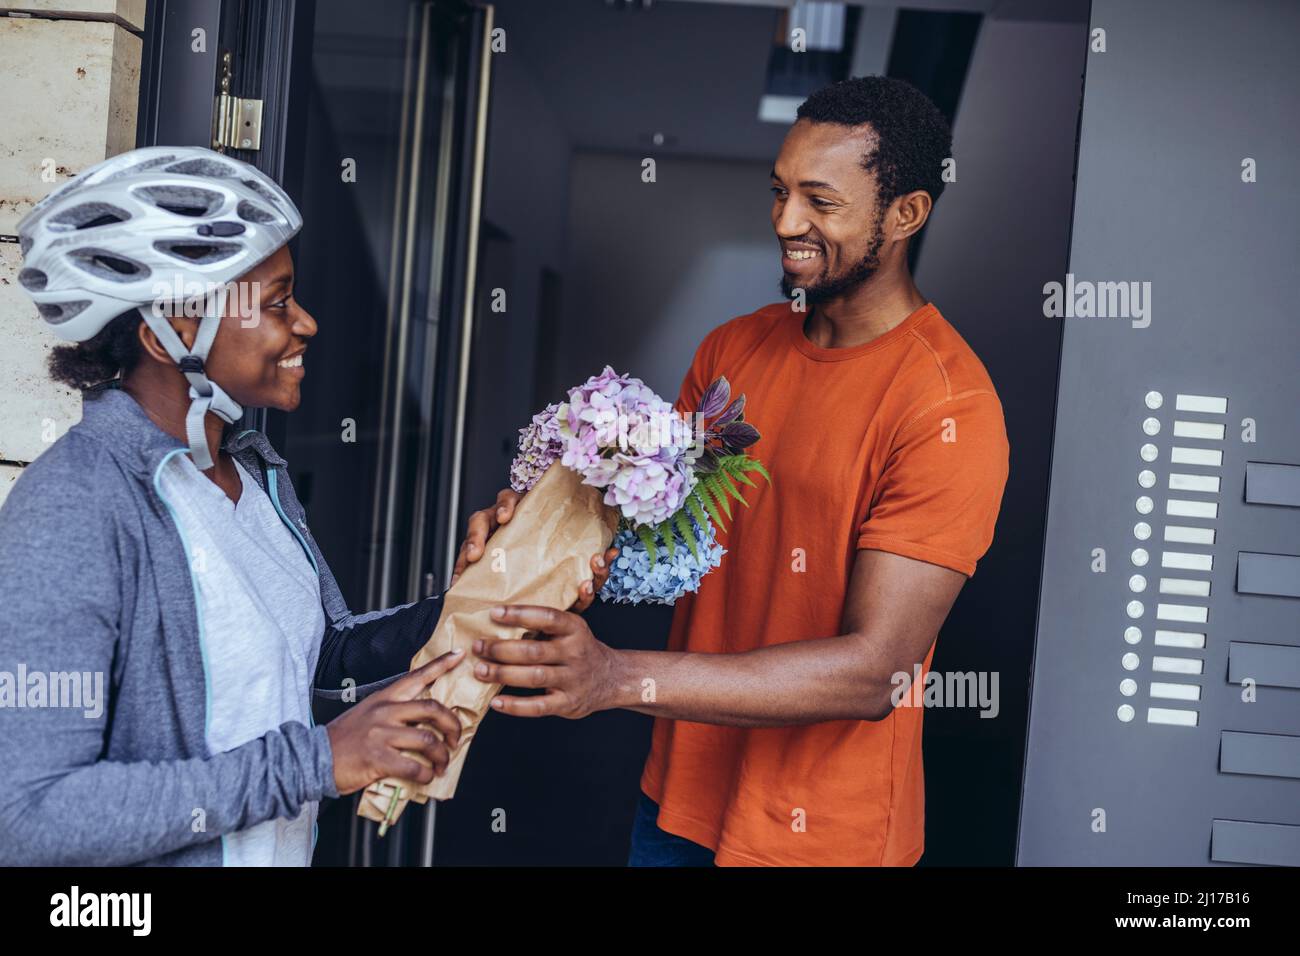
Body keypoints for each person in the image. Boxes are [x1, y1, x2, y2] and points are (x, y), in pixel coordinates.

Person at [451, 77, 1011, 866]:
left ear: (907, 213)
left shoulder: (948, 406)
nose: (786, 222)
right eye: (780, 192)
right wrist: (542, 527)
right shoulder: (734, 351)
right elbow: (664, 545)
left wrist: (615, 678)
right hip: (679, 797)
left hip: (822, 839)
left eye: (821, 200)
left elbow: (875, 671)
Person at [0, 146, 614, 866]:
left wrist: (492, 591)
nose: (307, 324)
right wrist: (316, 763)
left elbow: (322, 664)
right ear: (170, 334)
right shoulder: (75, 508)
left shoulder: (254, 472)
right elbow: (31, 816)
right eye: (276, 303)